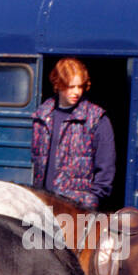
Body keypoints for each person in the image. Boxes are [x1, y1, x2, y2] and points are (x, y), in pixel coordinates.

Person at [31, 58, 116, 210]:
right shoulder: (41, 117)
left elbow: (106, 168)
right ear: (58, 85)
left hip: (76, 208)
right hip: (42, 204)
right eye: (70, 86)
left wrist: (90, 202)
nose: (76, 92)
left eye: (80, 86)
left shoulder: (96, 119)